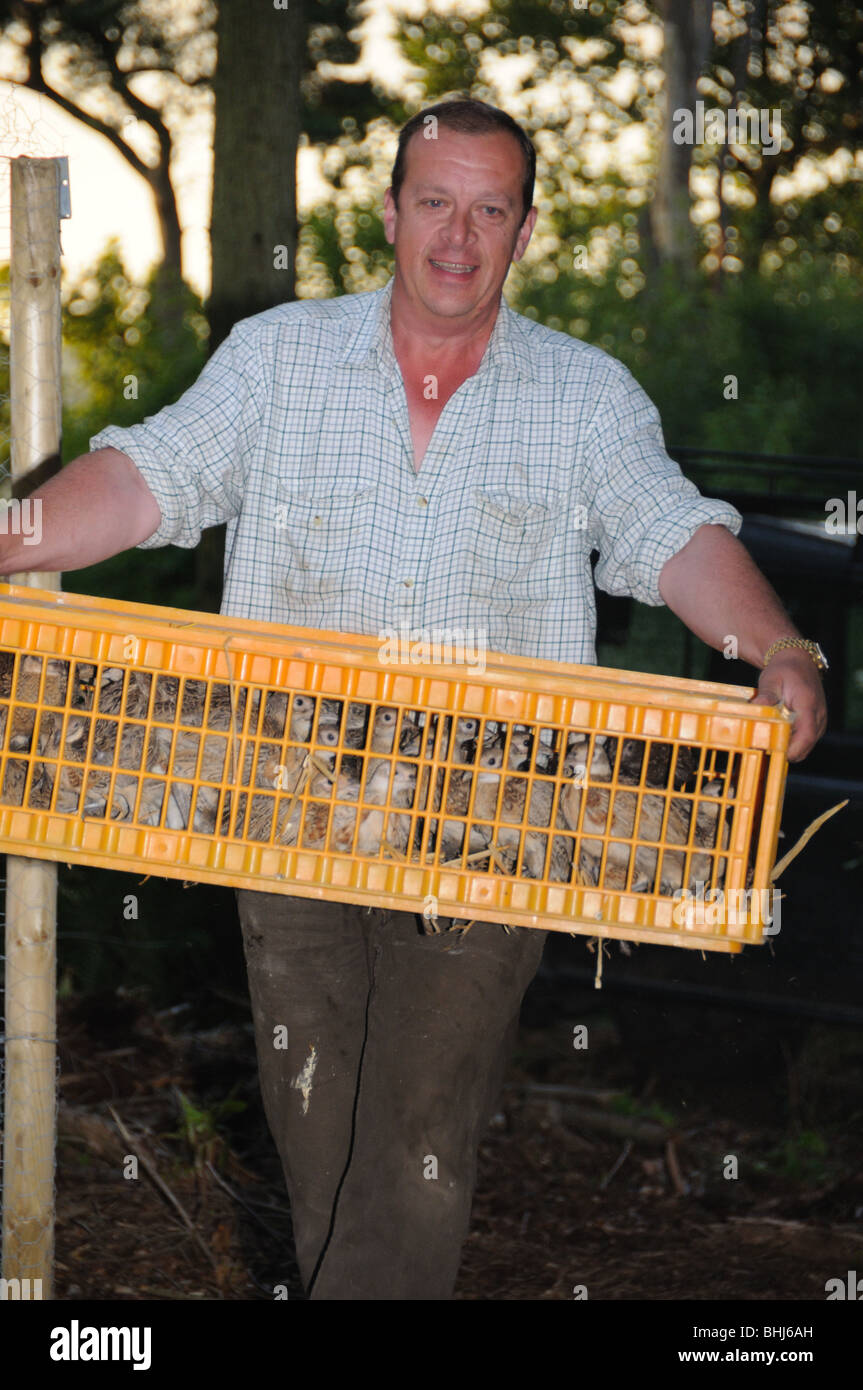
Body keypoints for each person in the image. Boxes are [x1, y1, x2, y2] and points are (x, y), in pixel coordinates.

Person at [0, 98, 827, 1300]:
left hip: (491, 819)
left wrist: (780, 642)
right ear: (389, 214)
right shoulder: (278, 359)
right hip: (281, 799)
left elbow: (668, 531)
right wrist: (10, 536)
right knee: (320, 1136)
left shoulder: (585, 396)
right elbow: (148, 479)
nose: (458, 235)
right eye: (434, 201)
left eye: (489, 208)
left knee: (415, 1137)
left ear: (525, 229)